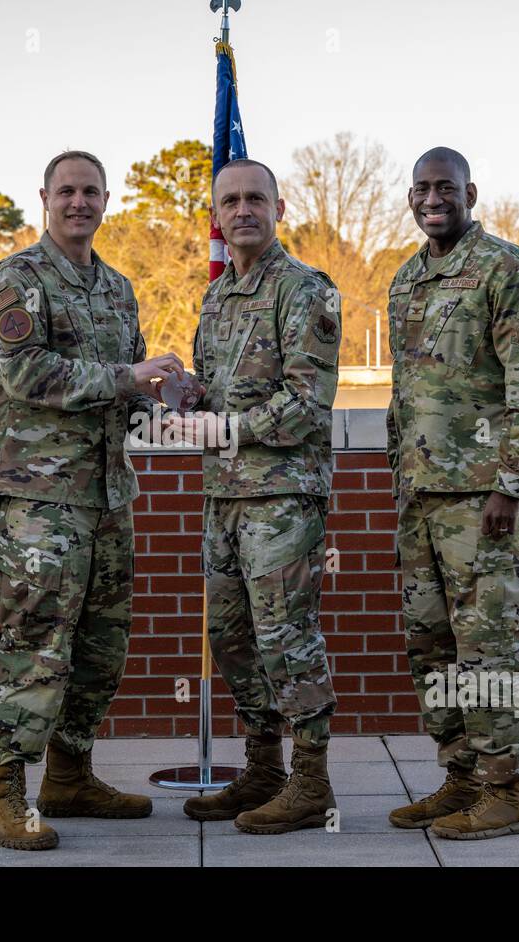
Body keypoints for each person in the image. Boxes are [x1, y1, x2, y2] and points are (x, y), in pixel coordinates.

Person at [0, 150, 182, 851]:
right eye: (67, 191)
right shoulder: (17, 280)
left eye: (91, 191)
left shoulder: (117, 288)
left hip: (108, 495)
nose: (79, 203)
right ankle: (2, 793)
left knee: (101, 645)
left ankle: (70, 774)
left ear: (106, 200)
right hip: (40, 499)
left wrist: (175, 397)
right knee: (34, 642)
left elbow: (130, 394)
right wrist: (127, 376)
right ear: (45, 198)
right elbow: (26, 372)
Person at [385, 146, 519, 839]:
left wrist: (511, 487)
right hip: (423, 500)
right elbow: (409, 392)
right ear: (411, 197)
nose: (434, 198)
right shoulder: (407, 280)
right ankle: (461, 777)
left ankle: (507, 790)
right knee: (433, 648)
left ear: (471, 193)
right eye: (423, 188)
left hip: (486, 501)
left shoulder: (508, 271)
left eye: (446, 188)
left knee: (487, 649)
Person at [178, 159, 341, 834]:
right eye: (230, 201)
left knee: (286, 636)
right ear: (215, 217)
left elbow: (306, 404)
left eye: (255, 199)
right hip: (225, 495)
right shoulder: (218, 297)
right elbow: (221, 389)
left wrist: (221, 426)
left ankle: (311, 782)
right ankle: (263, 767)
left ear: (279, 207)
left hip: (281, 497)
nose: (242, 210)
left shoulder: (305, 292)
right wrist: (190, 396)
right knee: (233, 636)